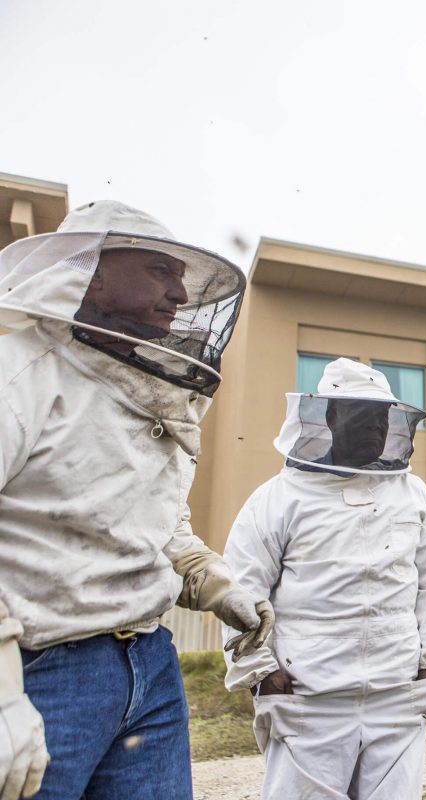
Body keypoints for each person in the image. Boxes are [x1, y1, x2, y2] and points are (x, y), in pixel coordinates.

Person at [0, 200, 274, 800]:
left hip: (150, 663)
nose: (179, 293)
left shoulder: (151, 392)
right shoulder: (17, 374)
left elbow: (155, 521)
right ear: (91, 272)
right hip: (39, 670)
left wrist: (214, 584)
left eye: (180, 277)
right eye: (159, 271)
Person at [222, 358, 426, 800]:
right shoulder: (276, 498)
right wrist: (260, 671)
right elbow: (241, 589)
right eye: (362, 417)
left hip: (398, 692)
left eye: (382, 419)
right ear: (329, 417)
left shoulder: (413, 493)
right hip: (309, 697)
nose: (375, 429)